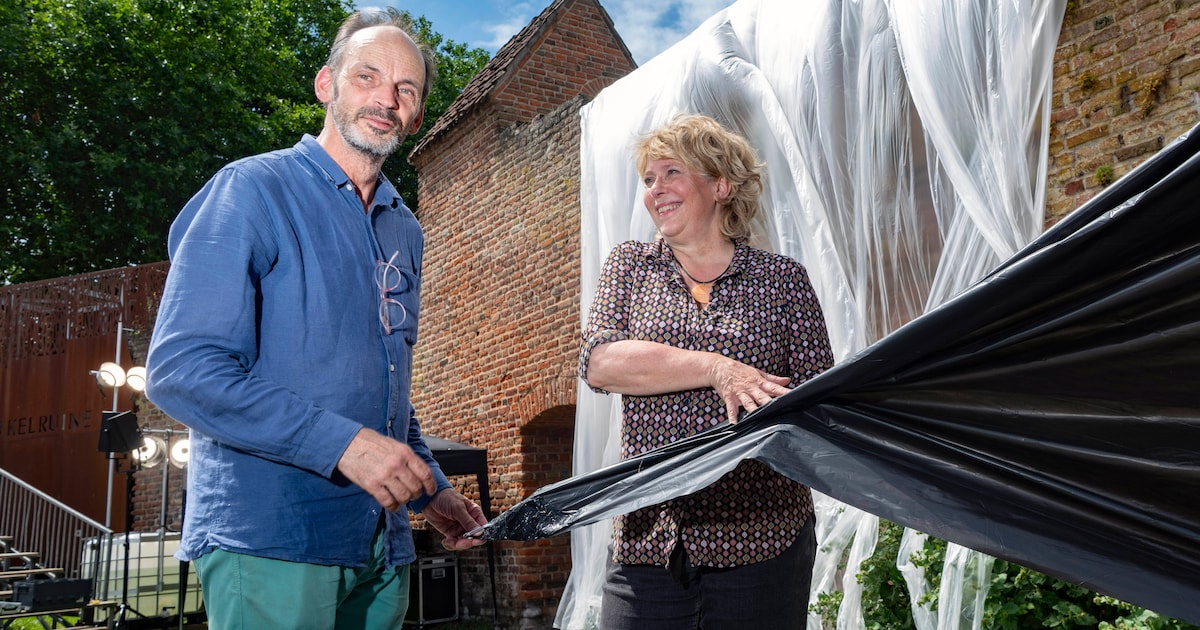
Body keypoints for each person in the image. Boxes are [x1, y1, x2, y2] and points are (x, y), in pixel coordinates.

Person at [145, 8, 486, 628]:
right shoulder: (250, 189)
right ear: (326, 85)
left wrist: (432, 488)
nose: (387, 98)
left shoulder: (404, 228)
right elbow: (182, 370)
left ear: (415, 114)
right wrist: (344, 446)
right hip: (273, 535)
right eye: (367, 76)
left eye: (406, 89)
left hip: (380, 545)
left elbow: (385, 389)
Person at [579, 113, 835, 629]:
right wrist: (719, 368)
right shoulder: (630, 267)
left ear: (720, 184)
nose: (655, 190)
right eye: (648, 180)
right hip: (647, 539)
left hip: (762, 538)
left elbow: (819, 401)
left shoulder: (782, 280)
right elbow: (601, 362)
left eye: (671, 172)